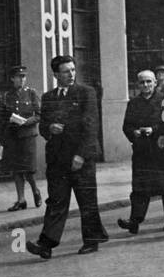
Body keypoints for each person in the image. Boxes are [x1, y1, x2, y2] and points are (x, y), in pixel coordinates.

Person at [26, 55, 107, 260]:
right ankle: (46, 244)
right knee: (56, 201)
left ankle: (91, 240)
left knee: (86, 200)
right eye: (65, 71)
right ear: (55, 75)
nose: (71, 74)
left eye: (73, 70)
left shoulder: (86, 93)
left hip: (81, 158)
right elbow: (43, 127)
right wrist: (50, 129)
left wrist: (81, 155)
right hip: (58, 160)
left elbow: (91, 127)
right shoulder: (48, 97)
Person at [117, 69, 164, 233]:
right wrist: (133, 133)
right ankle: (134, 221)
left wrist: (154, 130)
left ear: (155, 83)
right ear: (138, 85)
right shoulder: (133, 103)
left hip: (161, 149)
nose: (145, 85)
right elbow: (126, 126)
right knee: (139, 187)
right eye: (142, 82)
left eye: (149, 81)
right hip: (141, 150)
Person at [0, 65, 42, 211]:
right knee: (16, 170)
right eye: (19, 77)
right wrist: (1, 138)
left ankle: (35, 190)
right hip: (13, 137)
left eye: (24, 77)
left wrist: (26, 122)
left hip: (28, 137)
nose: (22, 79)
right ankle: (21, 199)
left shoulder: (31, 93)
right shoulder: (7, 96)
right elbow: (3, 117)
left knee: (29, 170)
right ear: (12, 79)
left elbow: (39, 115)